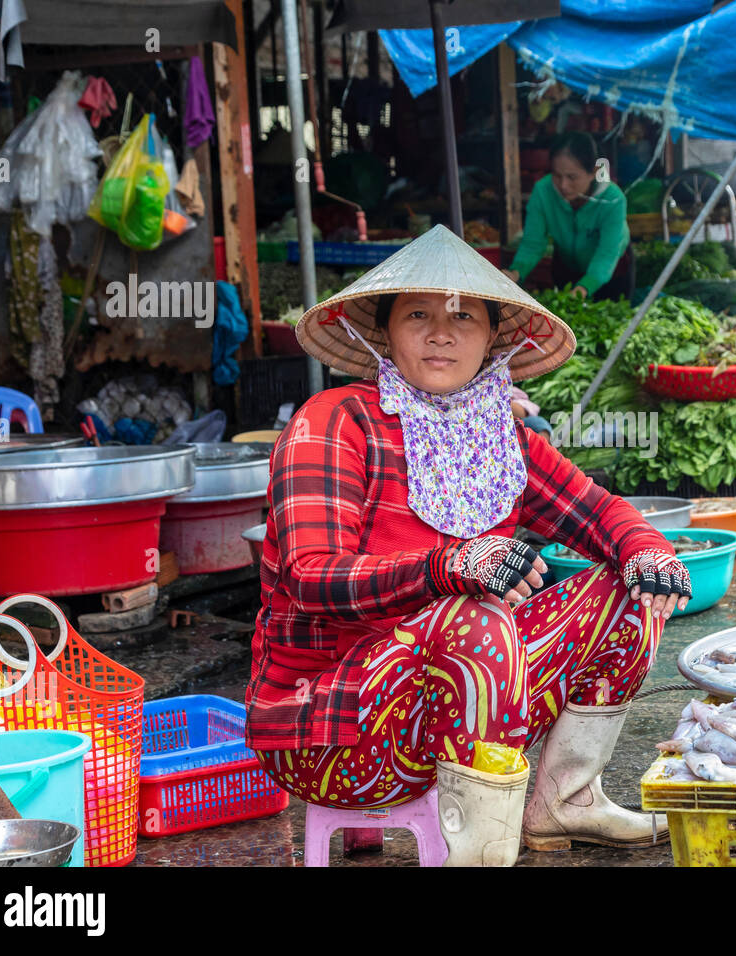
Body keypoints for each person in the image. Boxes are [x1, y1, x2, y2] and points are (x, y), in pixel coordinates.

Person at [247, 226, 691, 866]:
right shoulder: (333, 421)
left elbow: (599, 511)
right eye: (418, 315)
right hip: (332, 734)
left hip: (460, 715)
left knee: (624, 591)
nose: (441, 333)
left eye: (464, 318)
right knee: (477, 616)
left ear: (492, 340)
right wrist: (450, 567)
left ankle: (565, 801)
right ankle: (480, 858)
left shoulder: (497, 438)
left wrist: (647, 550)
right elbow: (313, 576)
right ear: (385, 333)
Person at [504, 131, 633, 301]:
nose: (563, 185)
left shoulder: (613, 199)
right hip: (566, 267)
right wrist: (515, 272)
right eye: (557, 175)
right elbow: (532, 243)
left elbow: (606, 255)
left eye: (572, 177)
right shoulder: (543, 191)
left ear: (593, 171)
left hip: (611, 272)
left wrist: (582, 290)